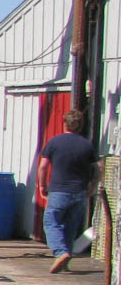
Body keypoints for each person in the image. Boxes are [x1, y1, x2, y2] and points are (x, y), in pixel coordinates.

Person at [35, 109, 97, 273]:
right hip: (79, 192)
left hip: (59, 191)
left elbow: (43, 167)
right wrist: (93, 185)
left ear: (65, 124)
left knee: (51, 222)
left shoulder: (55, 142)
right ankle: (66, 260)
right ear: (80, 126)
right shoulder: (87, 145)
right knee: (70, 226)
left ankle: (61, 253)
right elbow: (98, 167)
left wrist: (42, 186)